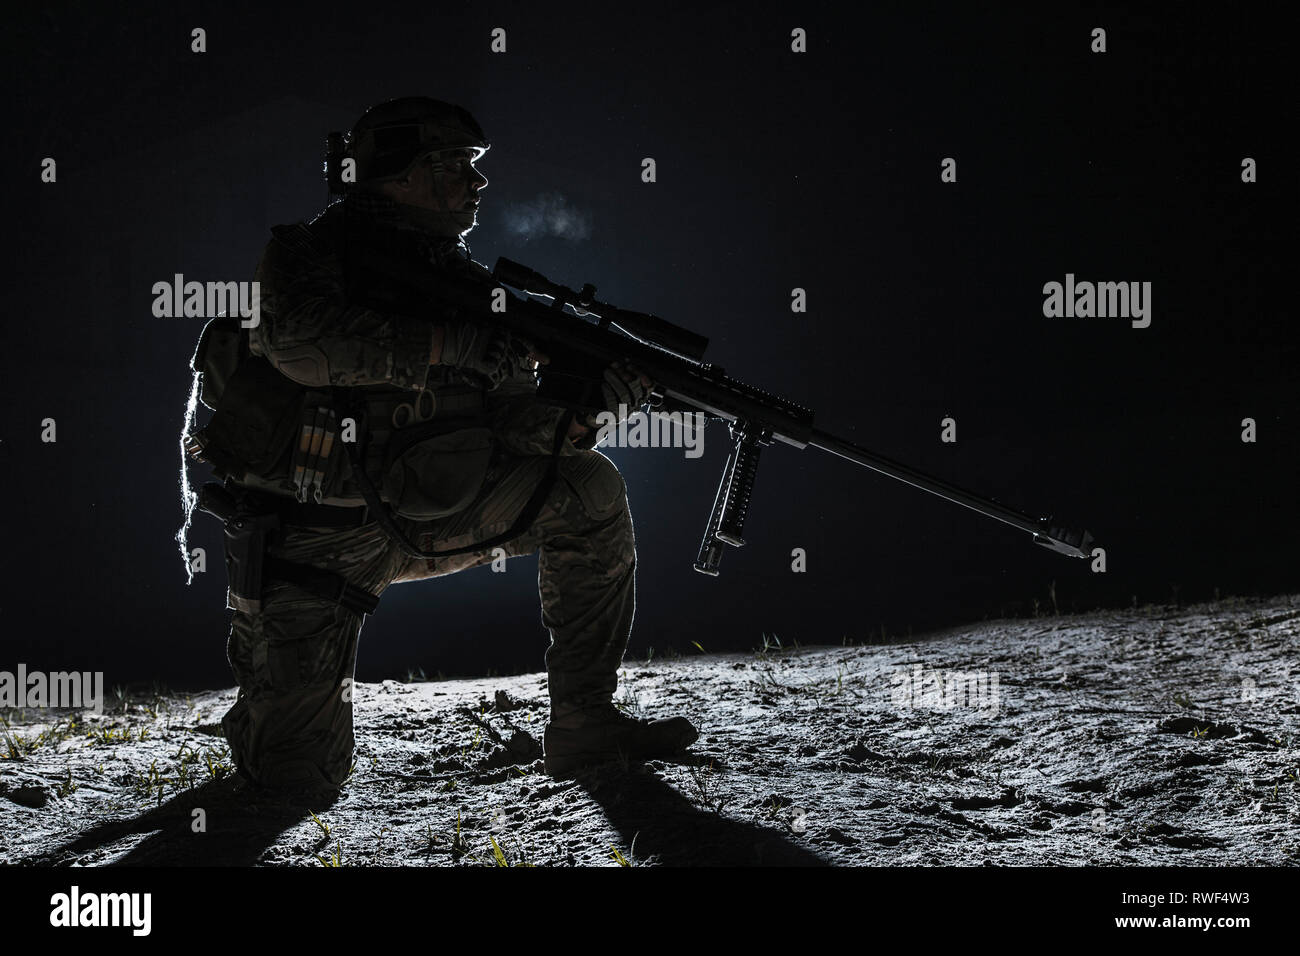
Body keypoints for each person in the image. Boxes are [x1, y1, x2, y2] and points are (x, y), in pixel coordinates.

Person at [186, 96, 697, 794]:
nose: (477, 182)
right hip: (318, 541)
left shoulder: (462, 282)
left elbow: (514, 423)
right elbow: (303, 343)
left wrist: (582, 416)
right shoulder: (310, 255)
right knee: (295, 782)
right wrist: (453, 344)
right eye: (456, 166)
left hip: (428, 515)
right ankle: (264, 725)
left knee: (588, 486)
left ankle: (585, 725)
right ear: (397, 175)